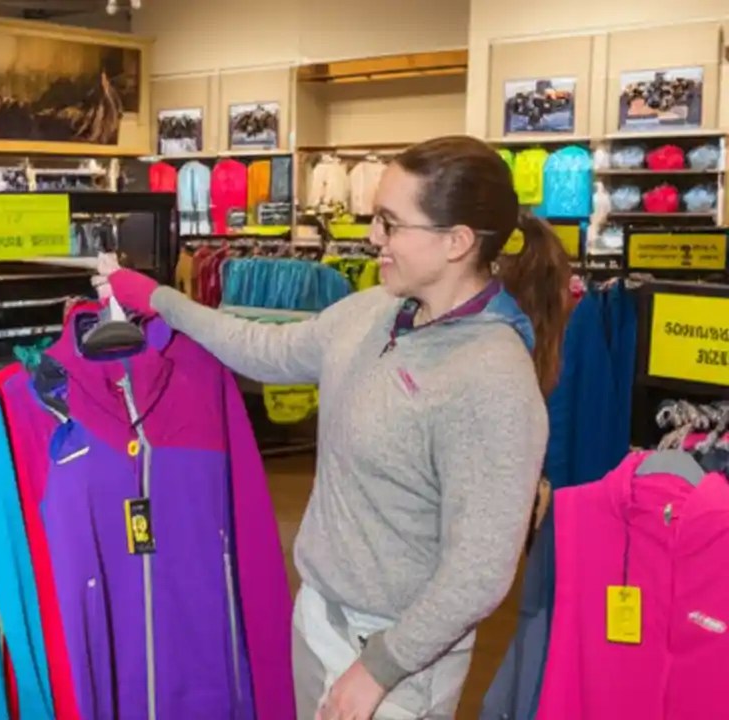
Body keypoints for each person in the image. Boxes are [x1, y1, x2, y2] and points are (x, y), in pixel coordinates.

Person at [100, 135, 571, 720]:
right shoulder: (374, 311)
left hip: (399, 658)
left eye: (391, 224)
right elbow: (265, 349)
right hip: (321, 612)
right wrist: (161, 299)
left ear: (457, 242)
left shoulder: (491, 380)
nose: (373, 238)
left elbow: (478, 573)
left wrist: (379, 670)